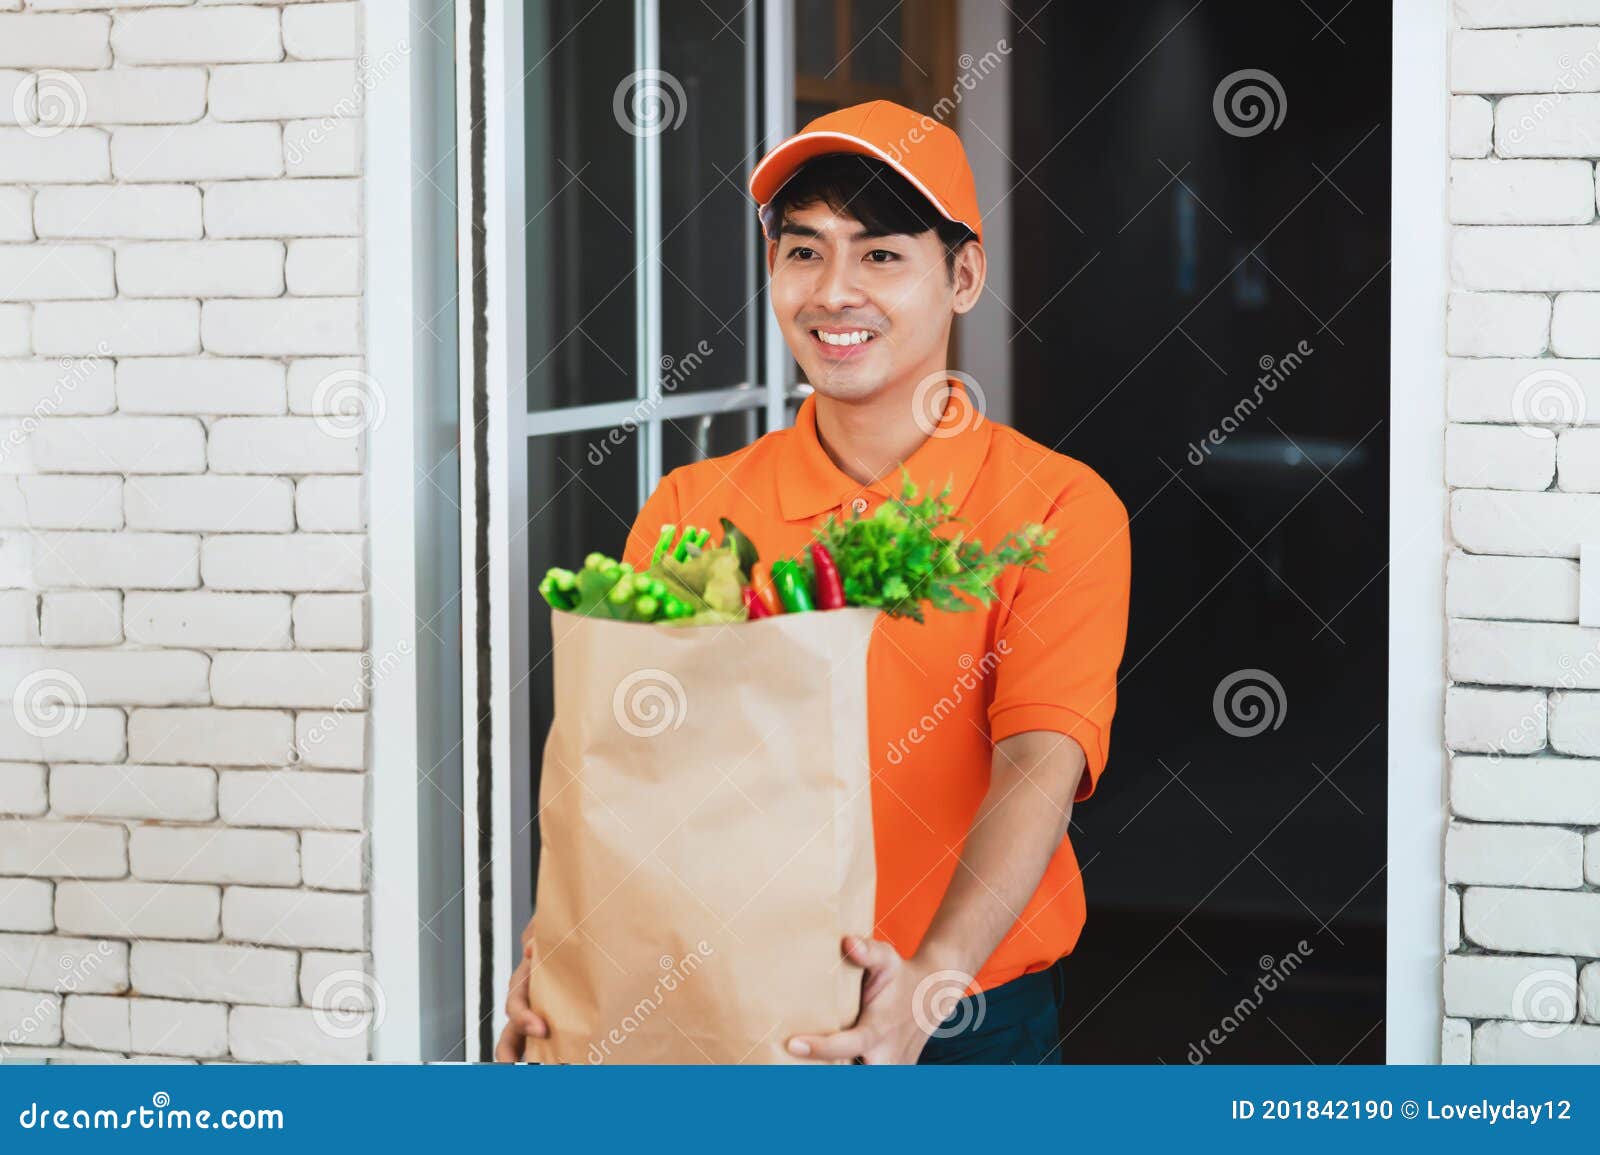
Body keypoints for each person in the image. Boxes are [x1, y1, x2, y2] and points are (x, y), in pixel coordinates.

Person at [496, 99, 1131, 1065]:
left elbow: (1037, 760)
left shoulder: (1056, 509)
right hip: (720, 1000)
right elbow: (629, 769)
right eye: (804, 251)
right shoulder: (692, 507)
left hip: (961, 1016)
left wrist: (931, 979)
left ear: (963, 276)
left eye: (880, 255)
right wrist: (563, 951)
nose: (835, 291)